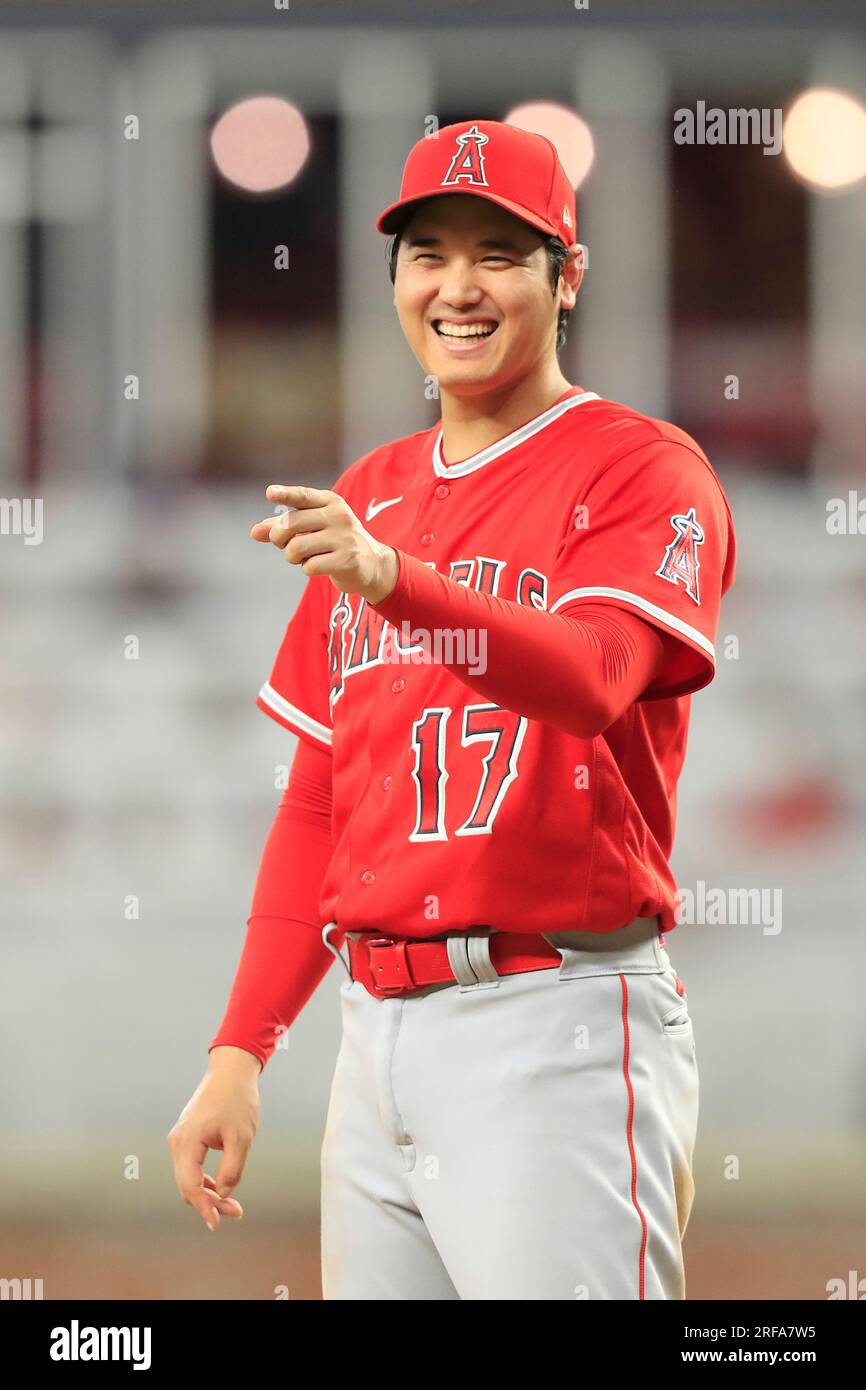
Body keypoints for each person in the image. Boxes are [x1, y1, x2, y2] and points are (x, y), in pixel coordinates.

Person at [168, 118, 736, 1300]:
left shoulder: (637, 467)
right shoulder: (372, 489)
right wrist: (240, 1045)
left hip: (557, 1020)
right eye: (427, 253)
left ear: (565, 275)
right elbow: (323, 794)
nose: (456, 286)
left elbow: (591, 675)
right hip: (377, 1037)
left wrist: (395, 581)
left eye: (499, 252)